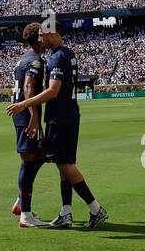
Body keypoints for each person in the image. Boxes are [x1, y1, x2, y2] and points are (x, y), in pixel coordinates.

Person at [6, 26, 108, 230]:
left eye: (44, 35)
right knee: (59, 163)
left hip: (59, 118)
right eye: (40, 36)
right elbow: (35, 87)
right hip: (61, 116)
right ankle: (64, 212)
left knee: (61, 164)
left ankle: (93, 209)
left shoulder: (54, 57)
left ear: (53, 34)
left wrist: (26, 106)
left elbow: (52, 90)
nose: (41, 39)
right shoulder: (66, 54)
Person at [10, 23, 50, 228]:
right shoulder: (35, 60)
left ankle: (20, 202)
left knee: (41, 155)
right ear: (39, 38)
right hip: (26, 115)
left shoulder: (23, 59)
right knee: (30, 159)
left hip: (21, 114)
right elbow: (28, 86)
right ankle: (25, 214)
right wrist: (34, 116)